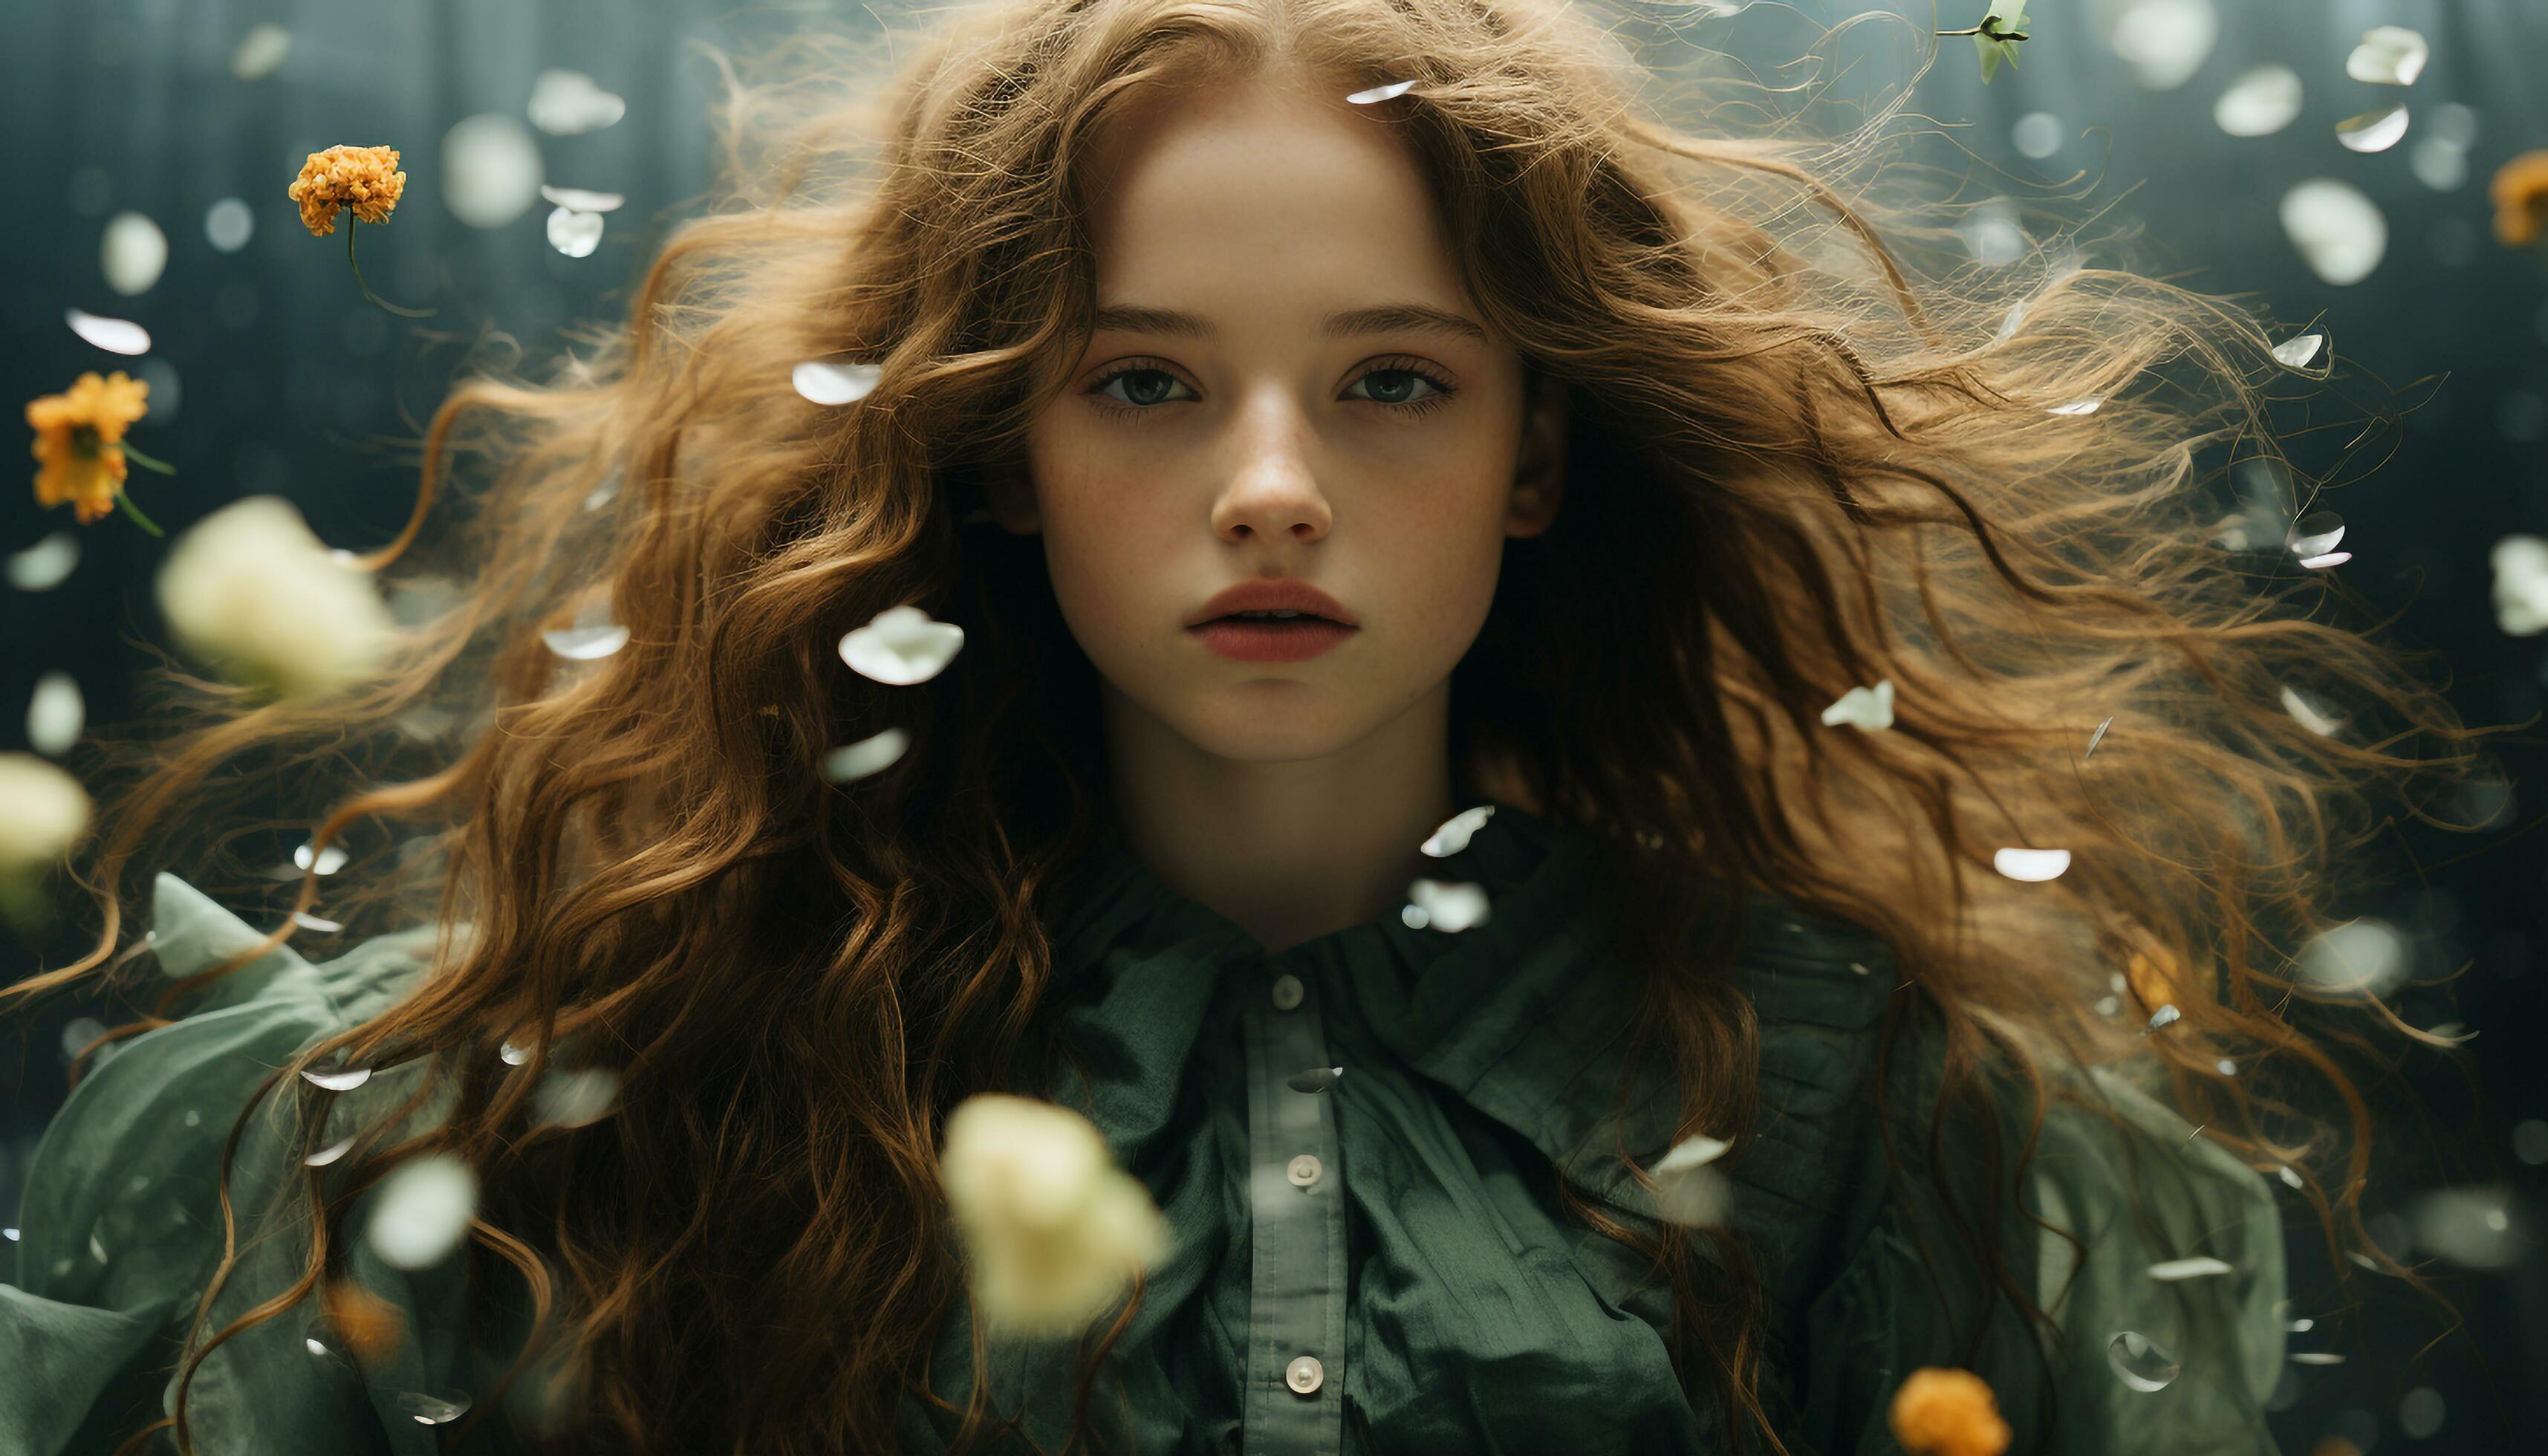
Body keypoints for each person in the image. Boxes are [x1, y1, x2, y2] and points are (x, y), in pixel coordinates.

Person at [0, 1, 2485, 1452]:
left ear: (1540, 452)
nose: (1272, 490)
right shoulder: (625, 1058)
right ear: (996, 444)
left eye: (1393, 381)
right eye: (1146, 383)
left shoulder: (1886, 1103)